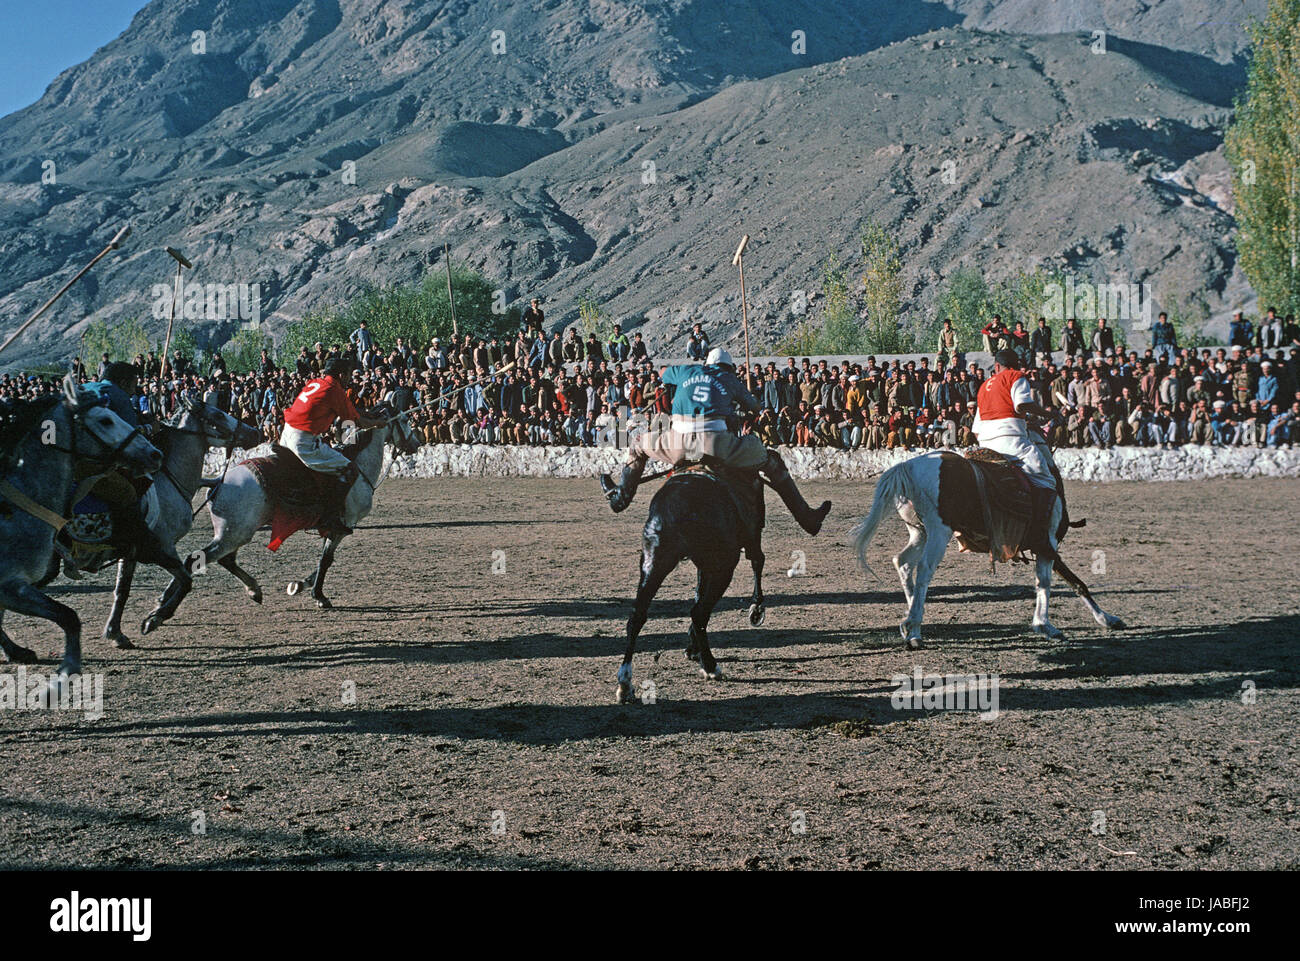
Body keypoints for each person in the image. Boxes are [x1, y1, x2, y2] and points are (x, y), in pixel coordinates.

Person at [599, 348, 830, 534]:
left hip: (677, 443)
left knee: (638, 445)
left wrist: (675, 381)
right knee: (771, 460)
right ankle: (807, 518)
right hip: (716, 444)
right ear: (728, 368)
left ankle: (620, 498)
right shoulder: (729, 378)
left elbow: (662, 374)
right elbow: (756, 408)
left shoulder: (687, 371)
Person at [280, 359, 386, 536]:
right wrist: (377, 423)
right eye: (348, 375)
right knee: (349, 469)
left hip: (286, 434)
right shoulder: (334, 390)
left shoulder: (316, 383)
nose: (349, 379)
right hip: (303, 441)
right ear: (341, 375)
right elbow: (358, 421)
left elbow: (352, 412)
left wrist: (368, 415)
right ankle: (331, 518)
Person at [973, 350, 1061, 555]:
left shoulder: (983, 386)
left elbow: (975, 429)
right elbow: (1022, 404)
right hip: (1011, 441)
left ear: (996, 366)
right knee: (1047, 480)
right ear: (1015, 365)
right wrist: (1047, 414)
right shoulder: (1016, 376)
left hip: (985, 443)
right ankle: (1040, 535)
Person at [80, 362, 152, 551]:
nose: (134, 389)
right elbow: (130, 434)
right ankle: (125, 540)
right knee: (127, 491)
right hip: (91, 462)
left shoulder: (86, 387)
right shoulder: (119, 395)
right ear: (123, 382)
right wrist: (151, 427)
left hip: (73, 455)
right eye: (134, 383)